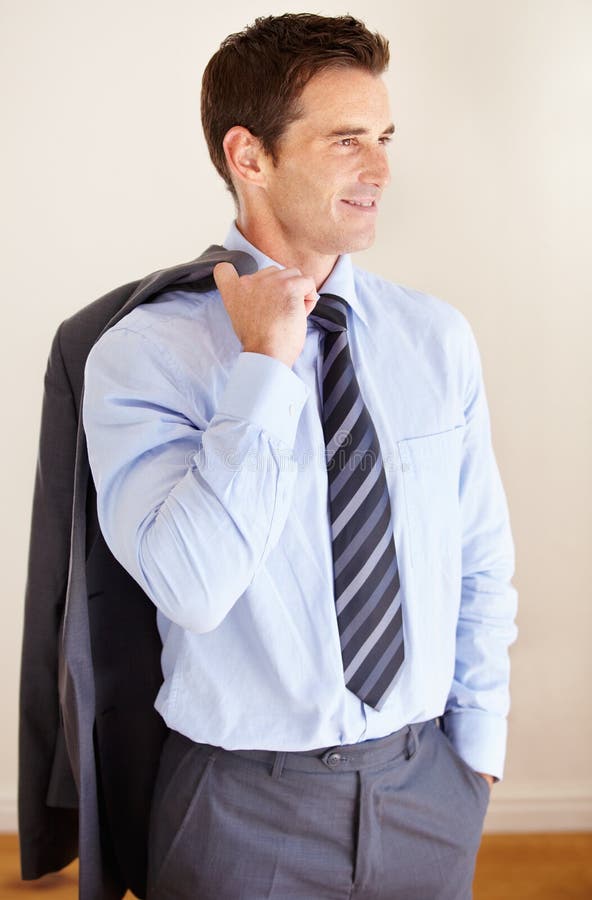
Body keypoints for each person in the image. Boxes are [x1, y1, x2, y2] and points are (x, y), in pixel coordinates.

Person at [81, 12, 518, 899]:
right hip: (243, 816)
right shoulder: (142, 355)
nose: (383, 168)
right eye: (347, 139)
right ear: (250, 156)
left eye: (386, 136)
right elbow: (192, 588)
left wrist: (475, 756)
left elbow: (478, 560)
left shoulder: (435, 337)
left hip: (426, 791)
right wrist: (264, 370)